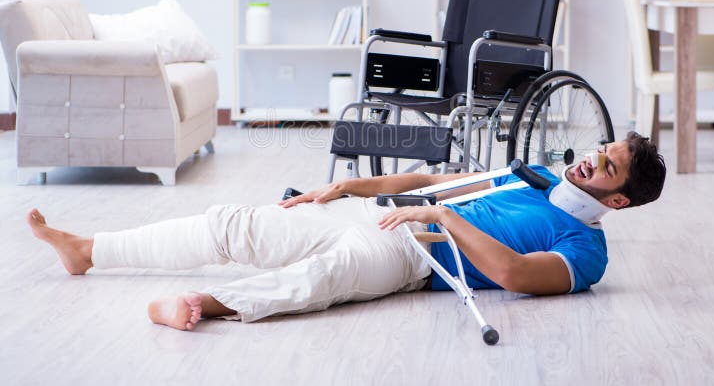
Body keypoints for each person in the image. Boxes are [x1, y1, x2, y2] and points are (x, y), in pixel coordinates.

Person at [28, 131, 666, 331]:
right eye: (598, 149)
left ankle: (207, 305)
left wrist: (441, 218)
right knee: (238, 225)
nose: (589, 159)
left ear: (618, 197)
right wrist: (345, 186)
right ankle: (88, 250)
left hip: (416, 256)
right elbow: (428, 180)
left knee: (325, 277)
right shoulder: (530, 177)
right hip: (378, 214)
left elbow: (512, 276)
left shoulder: (586, 250)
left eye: (605, 165)